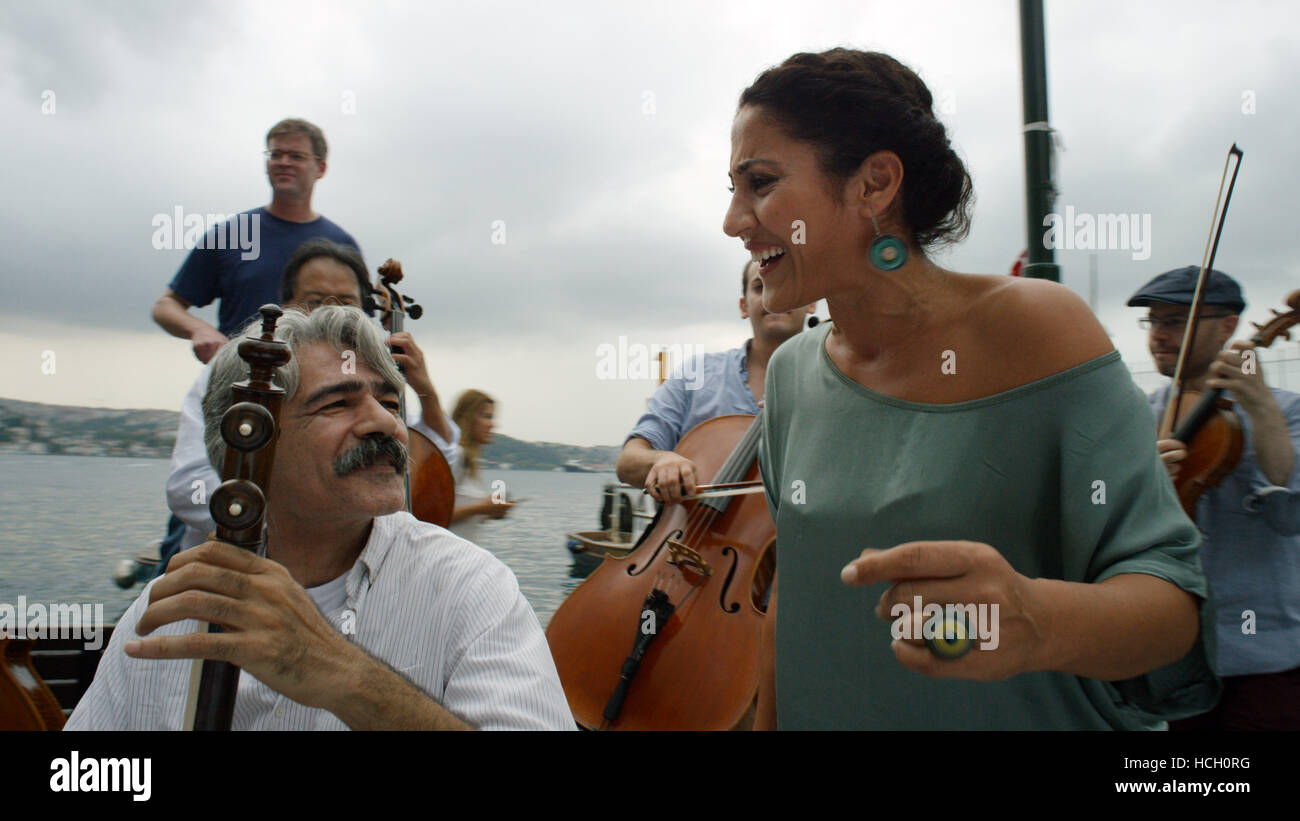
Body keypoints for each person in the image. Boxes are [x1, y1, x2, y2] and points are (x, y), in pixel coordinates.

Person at [724, 48, 1219, 729]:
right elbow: (794, 593)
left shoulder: (1041, 329)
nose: (734, 220)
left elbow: (1175, 618)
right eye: (733, 188)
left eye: (760, 182)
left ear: (875, 183)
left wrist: (1037, 618)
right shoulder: (791, 377)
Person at [67, 307, 573, 730]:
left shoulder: (473, 590)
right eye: (337, 403)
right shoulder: (176, 605)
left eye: (390, 401)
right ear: (250, 441)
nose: (385, 423)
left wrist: (343, 676)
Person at [164, 239, 459, 561]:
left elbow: (431, 470)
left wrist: (425, 391)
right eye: (314, 300)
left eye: (346, 302)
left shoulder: (376, 377)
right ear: (286, 305)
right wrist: (305, 524)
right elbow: (187, 489)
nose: (330, 312)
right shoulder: (240, 371)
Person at [1129, 266, 1300, 730]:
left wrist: (1259, 406)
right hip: (1174, 654)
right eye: (1154, 322)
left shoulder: (1287, 409)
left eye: (1175, 322)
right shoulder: (1141, 417)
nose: (1158, 336)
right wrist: (1146, 490)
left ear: (1227, 326)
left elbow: (1290, 516)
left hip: (1264, 655)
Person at [151, 118, 359, 364]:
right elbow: (166, 305)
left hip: (315, 385)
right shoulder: (231, 233)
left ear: (321, 168)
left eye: (296, 156)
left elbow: (357, 324)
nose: (283, 163)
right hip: (237, 384)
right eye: (276, 154)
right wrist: (199, 329)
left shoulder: (341, 245)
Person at [616, 259, 813, 504]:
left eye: (785, 283)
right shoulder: (695, 374)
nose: (772, 294)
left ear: (812, 301)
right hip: (685, 537)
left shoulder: (836, 385)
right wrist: (660, 460)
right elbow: (628, 461)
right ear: (743, 306)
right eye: (759, 287)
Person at [448, 390, 514, 543]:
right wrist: (481, 508)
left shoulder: (470, 462)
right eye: (486, 417)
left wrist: (490, 511)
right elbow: (431, 516)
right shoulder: (456, 457)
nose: (492, 425)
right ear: (468, 419)